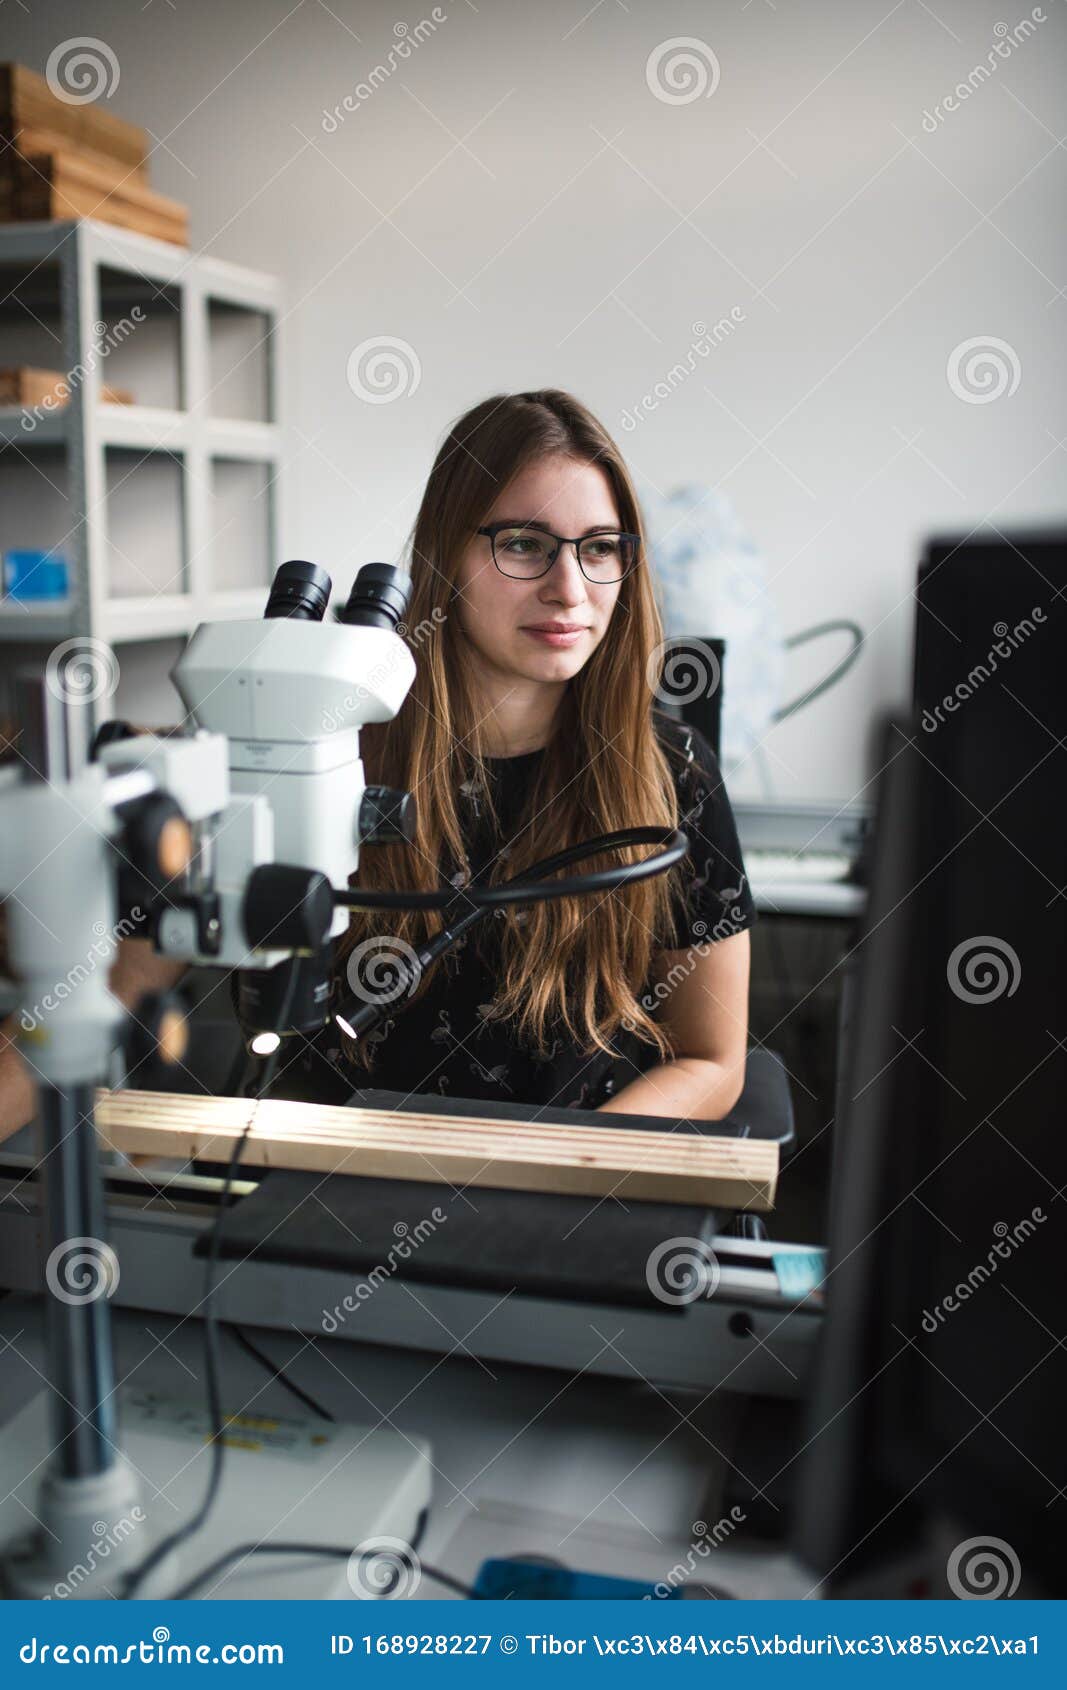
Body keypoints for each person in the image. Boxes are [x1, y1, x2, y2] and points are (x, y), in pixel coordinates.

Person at [0, 388, 754, 1139]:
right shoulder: (322, 743)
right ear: (445, 554)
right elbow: (112, 986)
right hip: (318, 1173)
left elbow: (710, 1061)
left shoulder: (670, 776)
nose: (568, 589)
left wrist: (547, 1170)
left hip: (562, 1189)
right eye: (522, 543)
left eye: (599, 548)